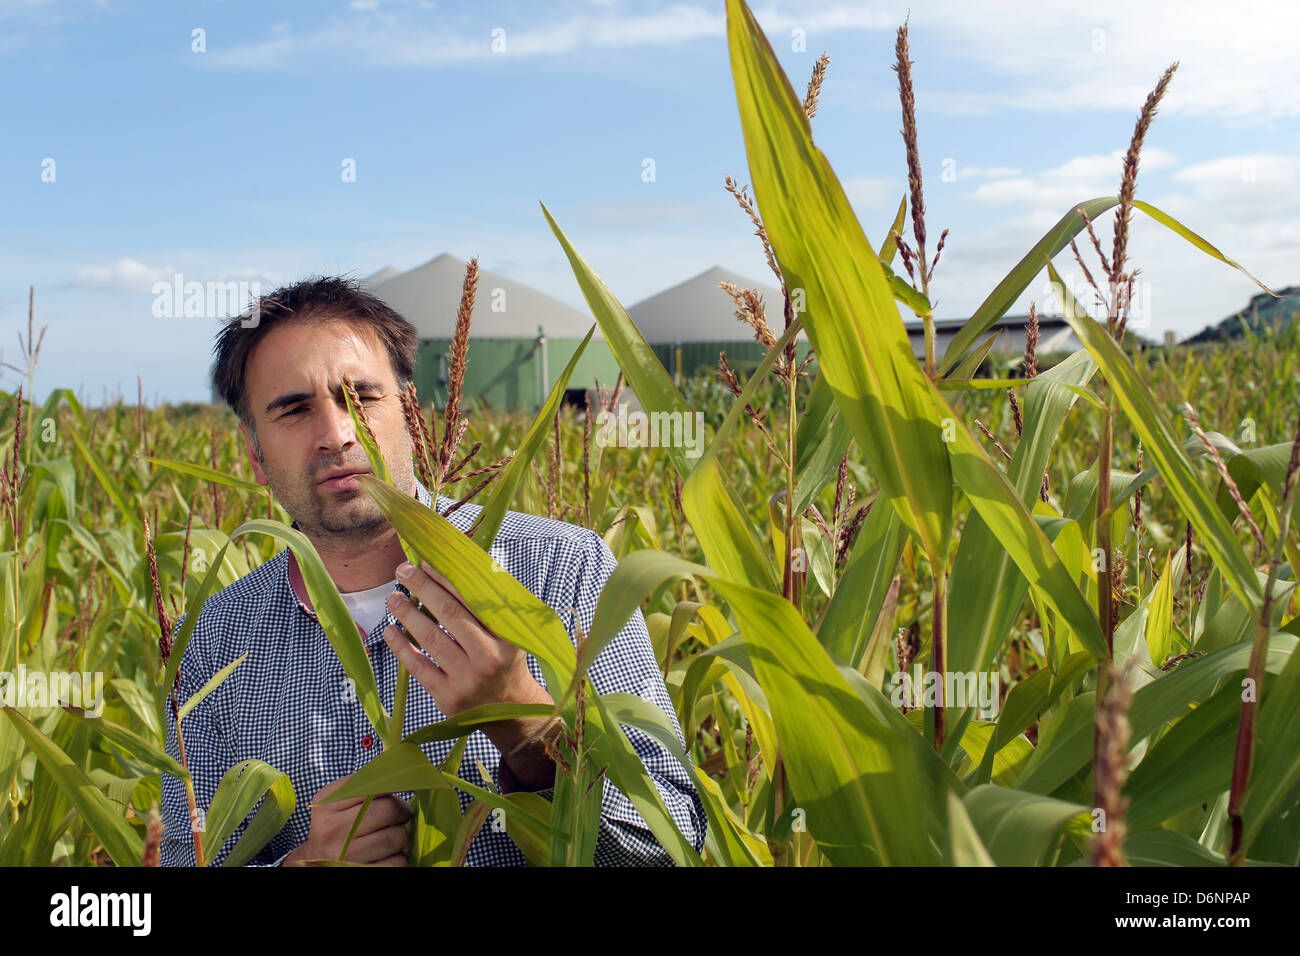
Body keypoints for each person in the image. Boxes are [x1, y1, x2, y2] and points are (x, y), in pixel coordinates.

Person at [160, 276, 706, 866]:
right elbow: (183, 856)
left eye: (362, 398)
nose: (337, 434)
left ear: (410, 413)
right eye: (294, 411)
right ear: (254, 454)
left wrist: (523, 723)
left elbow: (668, 843)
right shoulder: (215, 640)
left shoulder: (560, 569)